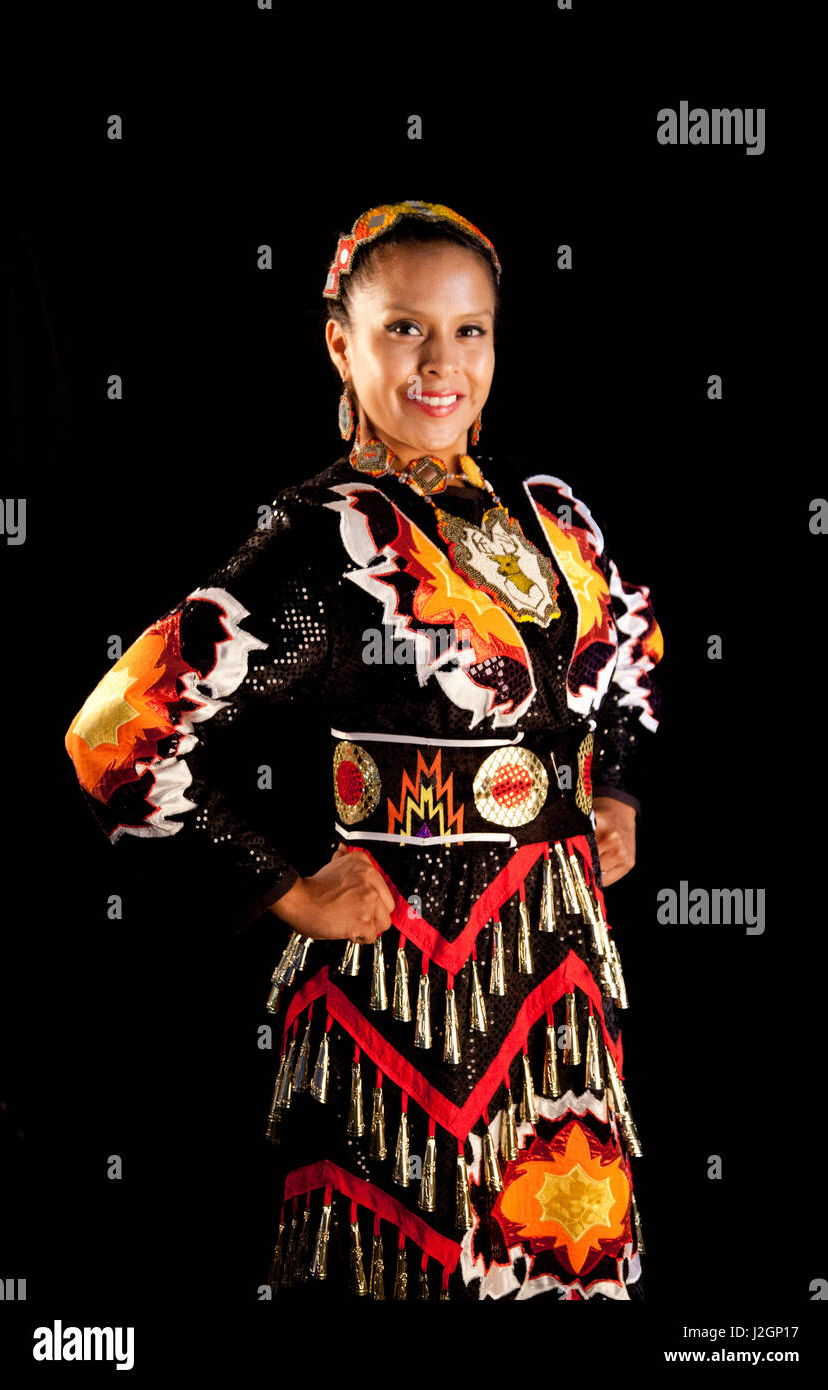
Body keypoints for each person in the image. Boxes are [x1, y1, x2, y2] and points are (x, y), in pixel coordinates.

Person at [64, 199, 664, 1302]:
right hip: (406, 988)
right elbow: (115, 735)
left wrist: (609, 786)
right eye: (403, 328)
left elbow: (617, 667)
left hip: (561, 981)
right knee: (408, 1274)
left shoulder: (545, 514)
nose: (441, 363)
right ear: (339, 339)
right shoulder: (321, 538)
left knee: (562, 1270)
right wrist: (281, 887)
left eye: (468, 330)